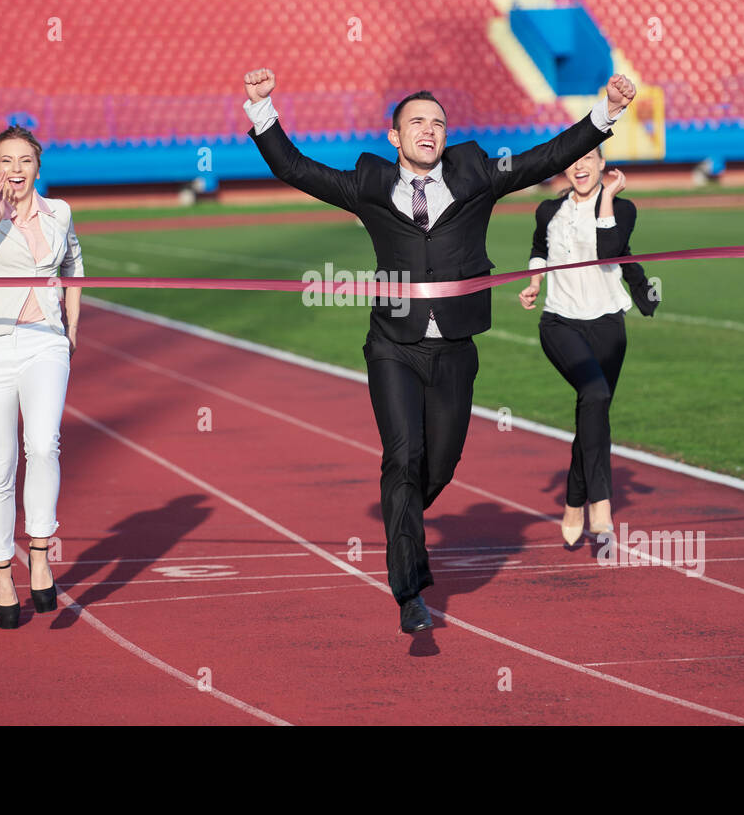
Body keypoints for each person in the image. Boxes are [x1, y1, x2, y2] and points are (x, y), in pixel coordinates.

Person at [242, 66, 635, 632]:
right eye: (416, 123)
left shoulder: (476, 173)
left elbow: (547, 157)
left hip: (455, 349)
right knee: (402, 457)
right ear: (395, 138)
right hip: (393, 347)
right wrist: (262, 108)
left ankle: (403, 519)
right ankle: (409, 591)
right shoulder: (369, 185)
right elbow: (294, 167)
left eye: (438, 123)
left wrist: (606, 112)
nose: (429, 130)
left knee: (440, 464)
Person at [0, 125, 84, 629]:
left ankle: (41, 552)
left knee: (44, 445)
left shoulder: (60, 211)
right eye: (7, 161)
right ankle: (2, 568)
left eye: (26, 161)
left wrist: (71, 324)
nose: (17, 170)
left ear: (38, 169)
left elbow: (73, 263)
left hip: (44, 341)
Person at [520, 149, 659, 546]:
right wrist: (534, 282)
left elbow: (609, 248)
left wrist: (609, 197)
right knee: (594, 394)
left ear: (603, 165)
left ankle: (573, 500)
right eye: (573, 160)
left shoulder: (624, 208)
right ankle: (600, 501)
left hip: (608, 322)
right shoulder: (549, 210)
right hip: (560, 321)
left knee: (593, 407)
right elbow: (538, 249)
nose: (579, 166)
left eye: (589, 159)